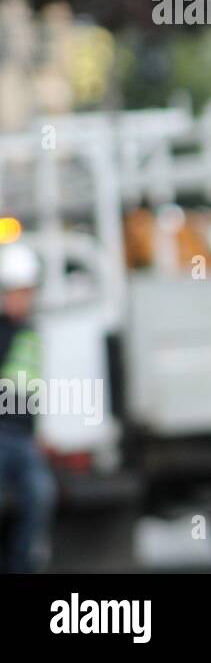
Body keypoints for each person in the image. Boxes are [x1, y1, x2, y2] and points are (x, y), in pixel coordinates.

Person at [0, 240, 57, 573]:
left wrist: (38, 433)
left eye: (25, 291)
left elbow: (28, 391)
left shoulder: (29, 334)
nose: (22, 299)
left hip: (22, 438)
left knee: (39, 493)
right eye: (15, 291)